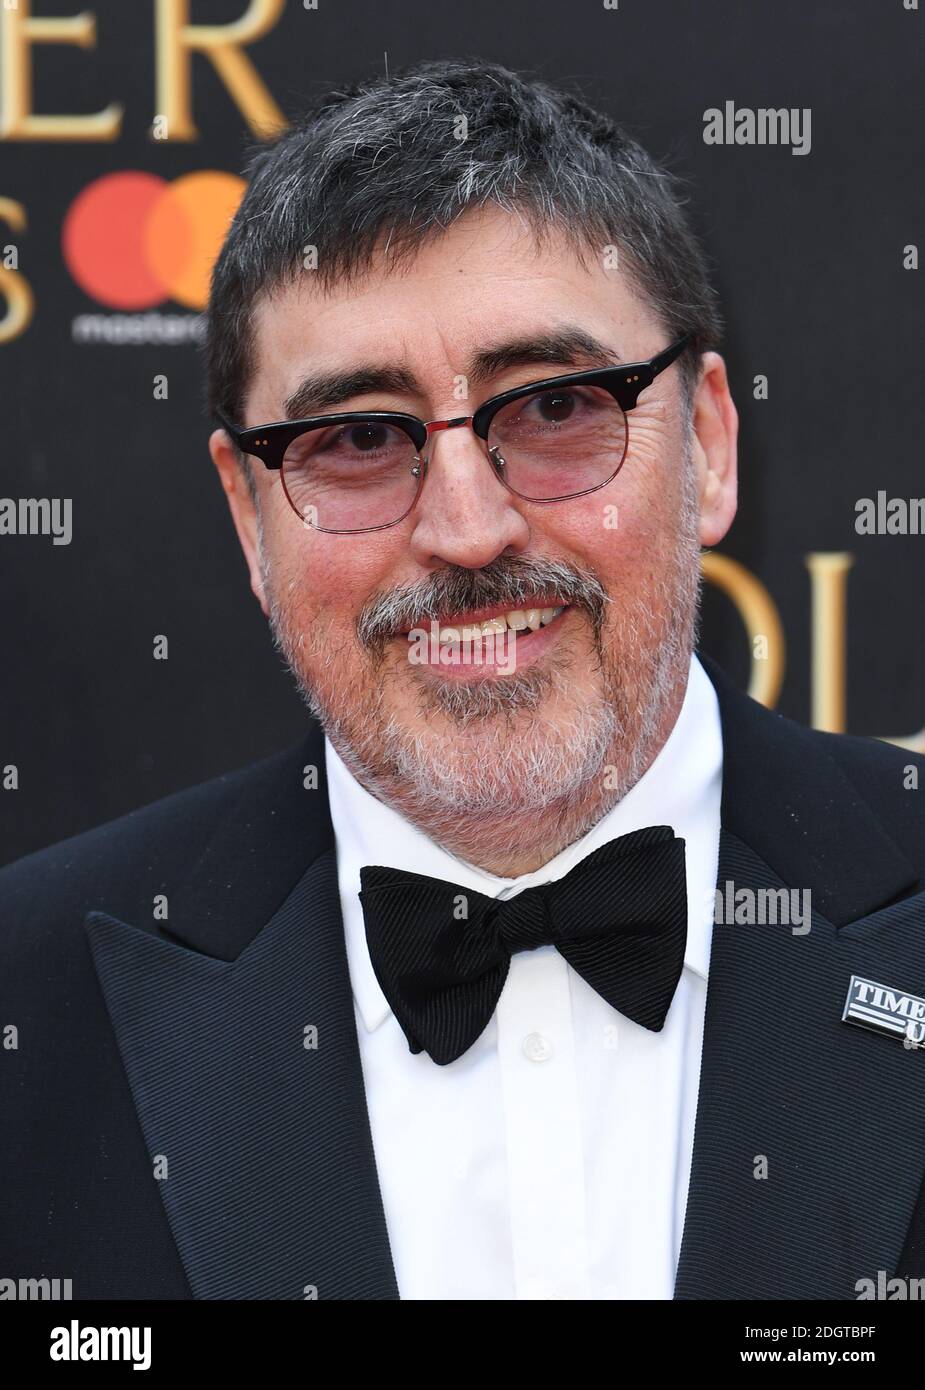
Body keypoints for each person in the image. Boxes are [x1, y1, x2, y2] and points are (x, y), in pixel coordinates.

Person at [3, 58, 925, 1302]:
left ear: (705, 443)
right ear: (246, 514)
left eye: (552, 409)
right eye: (359, 439)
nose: (467, 528)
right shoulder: (31, 997)